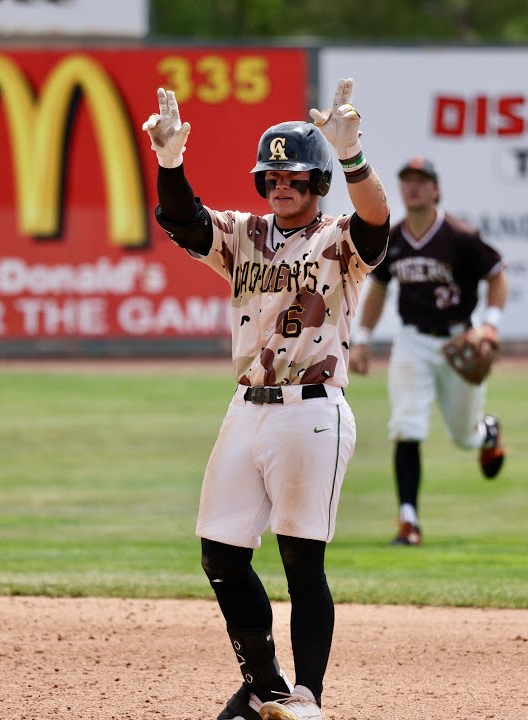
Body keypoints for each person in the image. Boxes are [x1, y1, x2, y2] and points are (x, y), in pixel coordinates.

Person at [141, 79, 390, 720]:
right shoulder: (247, 235)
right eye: (272, 177)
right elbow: (186, 222)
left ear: (318, 185)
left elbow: (375, 221)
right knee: (220, 555)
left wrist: (353, 155)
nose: (282, 187)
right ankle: (266, 686)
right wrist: (171, 162)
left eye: (296, 177)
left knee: (300, 560)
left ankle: (308, 697)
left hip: (312, 410)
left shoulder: (338, 240)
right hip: (247, 406)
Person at [350, 156, 509, 547]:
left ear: (436, 189)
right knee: (406, 426)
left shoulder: (459, 236)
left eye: (422, 181)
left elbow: (497, 275)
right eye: (407, 180)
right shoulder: (396, 239)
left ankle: (486, 433)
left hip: (459, 341)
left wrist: (490, 324)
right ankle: (409, 520)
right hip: (412, 341)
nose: (413, 187)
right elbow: (380, 287)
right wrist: (364, 337)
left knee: (463, 437)